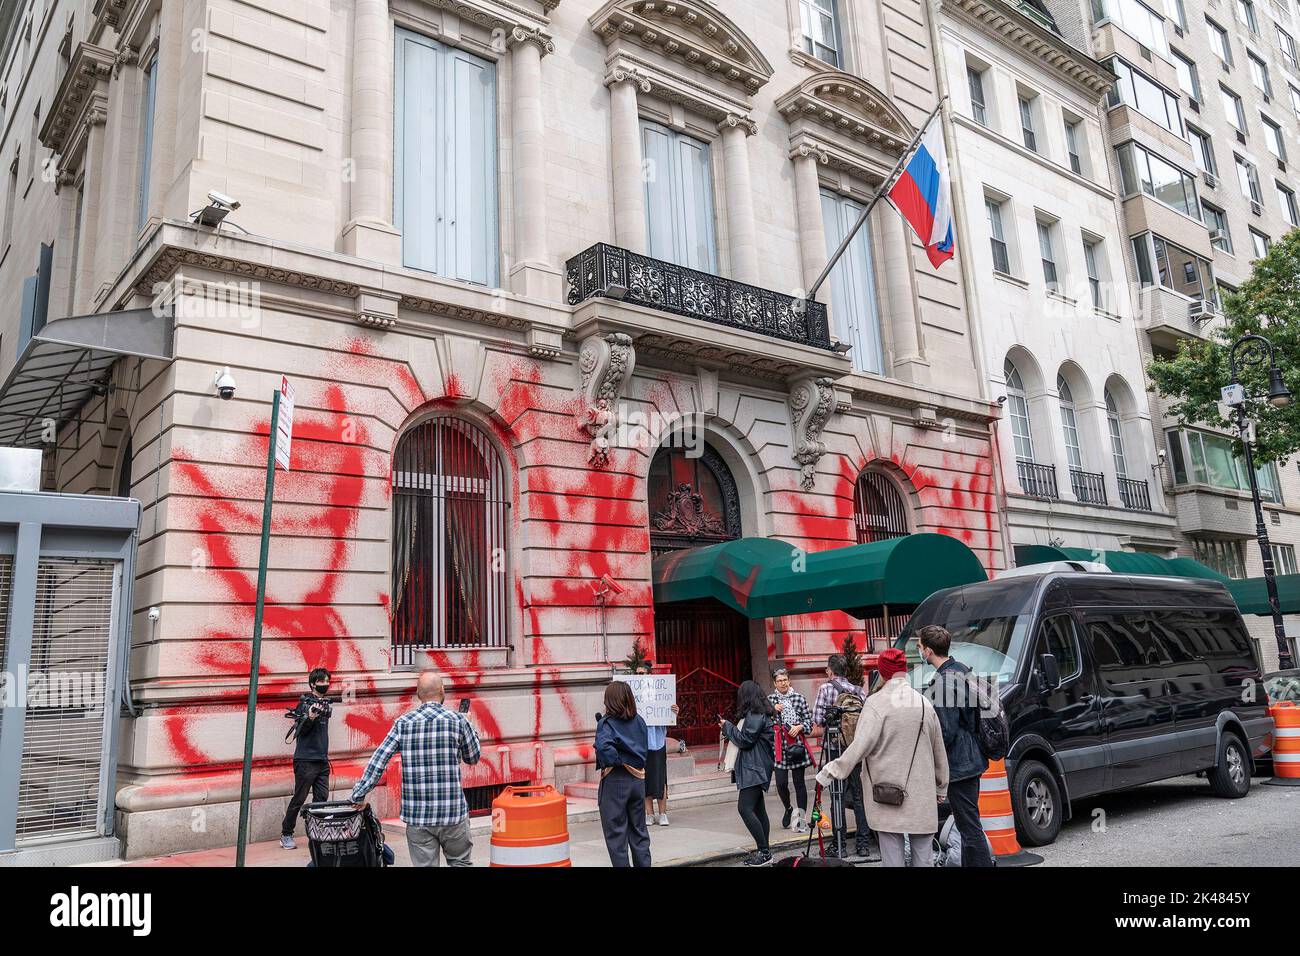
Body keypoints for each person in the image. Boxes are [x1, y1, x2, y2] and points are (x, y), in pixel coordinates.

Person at [817, 647, 948, 867]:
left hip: (886, 795)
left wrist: (830, 771)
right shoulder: (924, 703)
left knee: (892, 859)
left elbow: (859, 746)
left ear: (883, 672)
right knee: (924, 860)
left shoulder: (876, 703)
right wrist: (942, 786)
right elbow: (939, 750)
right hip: (922, 795)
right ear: (904, 671)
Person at [350, 670, 481, 867]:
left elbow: (378, 761)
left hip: (418, 816)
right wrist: (470, 726)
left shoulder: (403, 724)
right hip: (453, 813)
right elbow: (472, 757)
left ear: (418, 695)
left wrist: (358, 795)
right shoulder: (459, 720)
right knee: (460, 863)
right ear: (442, 691)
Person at [919, 623, 994, 867]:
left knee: (969, 826)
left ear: (929, 651)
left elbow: (945, 731)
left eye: (920, 647)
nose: (919, 651)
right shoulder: (961, 670)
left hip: (960, 764)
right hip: (972, 757)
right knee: (966, 824)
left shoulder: (943, 682)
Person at [811, 654, 878, 860]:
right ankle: (863, 845)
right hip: (856, 750)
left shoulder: (826, 689)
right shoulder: (858, 690)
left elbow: (817, 719)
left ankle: (839, 844)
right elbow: (869, 718)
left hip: (834, 749)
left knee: (837, 796)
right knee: (859, 797)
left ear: (830, 671)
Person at [719, 679, 776, 866]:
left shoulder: (755, 715)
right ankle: (765, 851)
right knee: (759, 810)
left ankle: (764, 851)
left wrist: (728, 727)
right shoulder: (758, 714)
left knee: (744, 808)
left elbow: (745, 740)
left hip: (754, 768)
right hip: (756, 767)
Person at [596, 681, 652, 867]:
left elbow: (605, 750)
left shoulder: (607, 723)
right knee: (639, 833)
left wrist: (619, 760)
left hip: (616, 781)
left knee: (616, 837)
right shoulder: (640, 721)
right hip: (638, 781)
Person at [280, 667, 334, 850]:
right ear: (312, 684)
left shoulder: (324, 704)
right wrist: (310, 716)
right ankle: (286, 833)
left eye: (327, 681)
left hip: (322, 759)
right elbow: (300, 732)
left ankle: (317, 834)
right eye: (321, 681)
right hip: (305, 760)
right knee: (299, 798)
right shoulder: (304, 704)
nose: (325, 684)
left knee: (321, 799)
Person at [768, 668, 813, 832]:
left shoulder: (799, 698)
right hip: (779, 747)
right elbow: (765, 722)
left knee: (799, 783)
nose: (783, 683)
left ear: (789, 680)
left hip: (796, 746)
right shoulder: (770, 700)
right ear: (774, 683)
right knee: (781, 783)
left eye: (785, 680)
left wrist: (799, 726)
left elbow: (809, 722)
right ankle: (788, 808)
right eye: (779, 681)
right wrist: (773, 709)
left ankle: (801, 820)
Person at [634, 663, 678, 826]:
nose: (640, 677)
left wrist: (673, 711)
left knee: (660, 779)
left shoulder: (661, 693)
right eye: (637, 674)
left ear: (649, 675)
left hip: (658, 743)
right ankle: (649, 814)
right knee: (644, 779)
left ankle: (663, 813)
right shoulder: (633, 696)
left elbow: (669, 716)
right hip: (641, 744)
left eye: (642, 674)